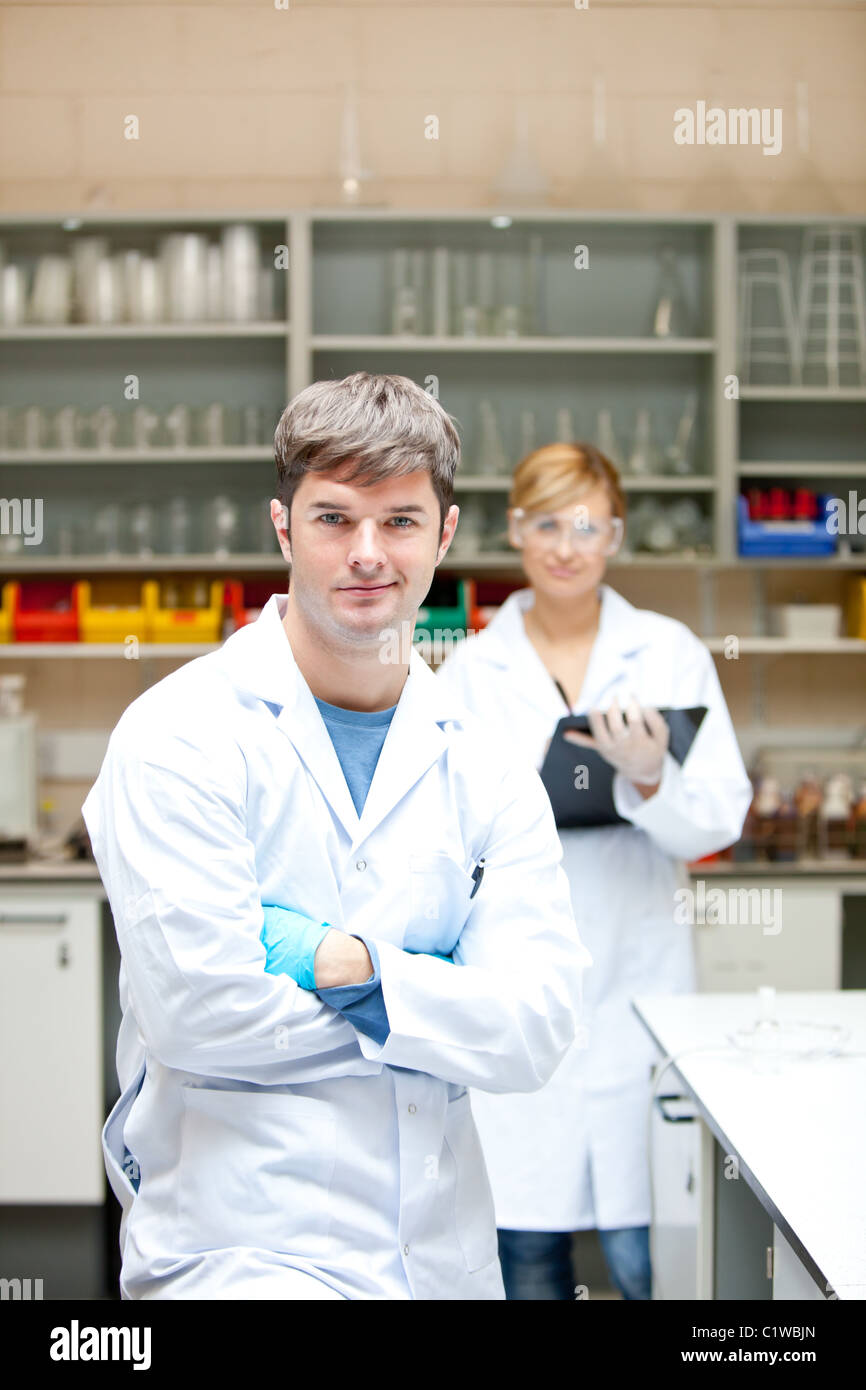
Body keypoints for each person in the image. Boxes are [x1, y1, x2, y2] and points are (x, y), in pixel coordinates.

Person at [82, 374, 590, 1301]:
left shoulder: (486, 761)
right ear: (283, 529)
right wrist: (438, 1002)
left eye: (399, 521)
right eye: (332, 519)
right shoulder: (178, 736)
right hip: (241, 1250)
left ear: (444, 534)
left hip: (442, 1257)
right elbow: (198, 1014)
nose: (366, 554)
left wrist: (337, 960)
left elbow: (536, 1027)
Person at [435, 442, 751, 1300]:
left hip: (637, 974)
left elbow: (719, 818)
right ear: (514, 531)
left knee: (648, 1255)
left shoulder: (669, 652)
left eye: (585, 525)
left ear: (614, 533)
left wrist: (650, 778)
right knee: (525, 1250)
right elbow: (443, 836)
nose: (566, 546)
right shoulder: (469, 672)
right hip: (517, 974)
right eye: (546, 523)